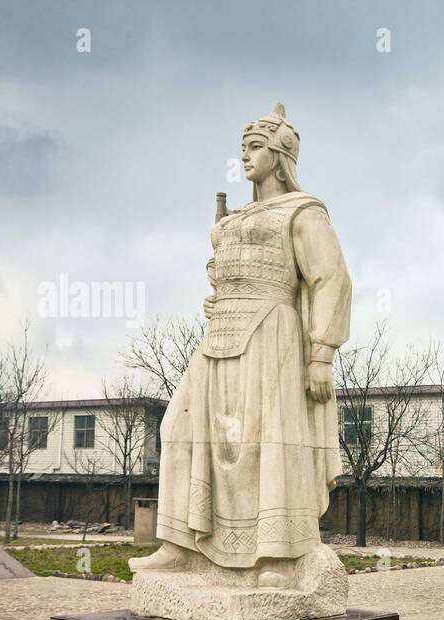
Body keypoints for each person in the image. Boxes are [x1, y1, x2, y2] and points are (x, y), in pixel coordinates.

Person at [131, 103, 350, 589]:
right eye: (243, 149)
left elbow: (330, 279)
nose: (246, 157)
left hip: (273, 334)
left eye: (255, 148)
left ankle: (277, 553)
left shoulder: (303, 210)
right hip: (219, 334)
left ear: (280, 155)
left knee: (266, 442)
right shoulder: (235, 217)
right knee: (179, 427)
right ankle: (180, 543)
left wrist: (322, 354)